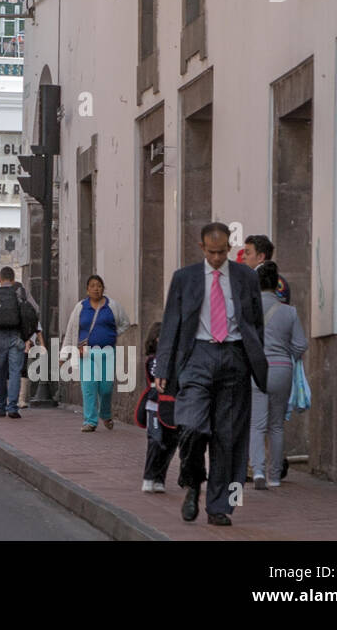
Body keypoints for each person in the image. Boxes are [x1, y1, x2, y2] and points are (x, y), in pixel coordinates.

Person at [156, 222, 269, 527]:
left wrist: (254, 358)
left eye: (222, 252)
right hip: (197, 356)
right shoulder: (185, 278)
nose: (217, 258)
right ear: (202, 247)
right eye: (212, 252)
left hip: (234, 357)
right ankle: (192, 482)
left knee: (229, 438)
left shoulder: (245, 277)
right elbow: (170, 325)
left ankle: (221, 506)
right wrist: (163, 367)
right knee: (191, 426)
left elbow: (256, 321)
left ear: (230, 248)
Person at [249, 262, 307, 491]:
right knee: (276, 426)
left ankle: (259, 471)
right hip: (282, 369)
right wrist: (285, 354)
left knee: (257, 425)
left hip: (257, 369)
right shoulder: (289, 311)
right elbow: (301, 344)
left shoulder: (249, 309)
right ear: (276, 285)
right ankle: (275, 476)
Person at [62, 274, 130, 431]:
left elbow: (125, 323)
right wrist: (64, 355)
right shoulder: (81, 307)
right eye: (92, 286)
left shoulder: (112, 306)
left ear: (103, 288)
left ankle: (105, 414)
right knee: (89, 386)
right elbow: (72, 330)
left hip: (107, 352)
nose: (96, 288)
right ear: (87, 290)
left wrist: (113, 334)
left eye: (99, 285)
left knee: (106, 388)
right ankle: (90, 421)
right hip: (86, 352)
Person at [0, 266, 39, 419]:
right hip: (17, 336)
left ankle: (0, 406)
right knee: (15, 371)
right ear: (13, 279)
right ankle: (13, 407)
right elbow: (35, 309)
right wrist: (28, 334)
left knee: (0, 371)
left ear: (0, 279)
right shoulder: (20, 292)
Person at [141, 321, 178, 493]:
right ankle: (148, 476)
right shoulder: (153, 361)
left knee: (169, 445)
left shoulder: (176, 359)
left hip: (172, 407)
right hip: (154, 407)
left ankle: (159, 478)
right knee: (155, 441)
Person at [242, 234, 291, 304]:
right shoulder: (279, 280)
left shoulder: (273, 281)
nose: (243, 257)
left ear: (260, 257)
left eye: (247, 253)